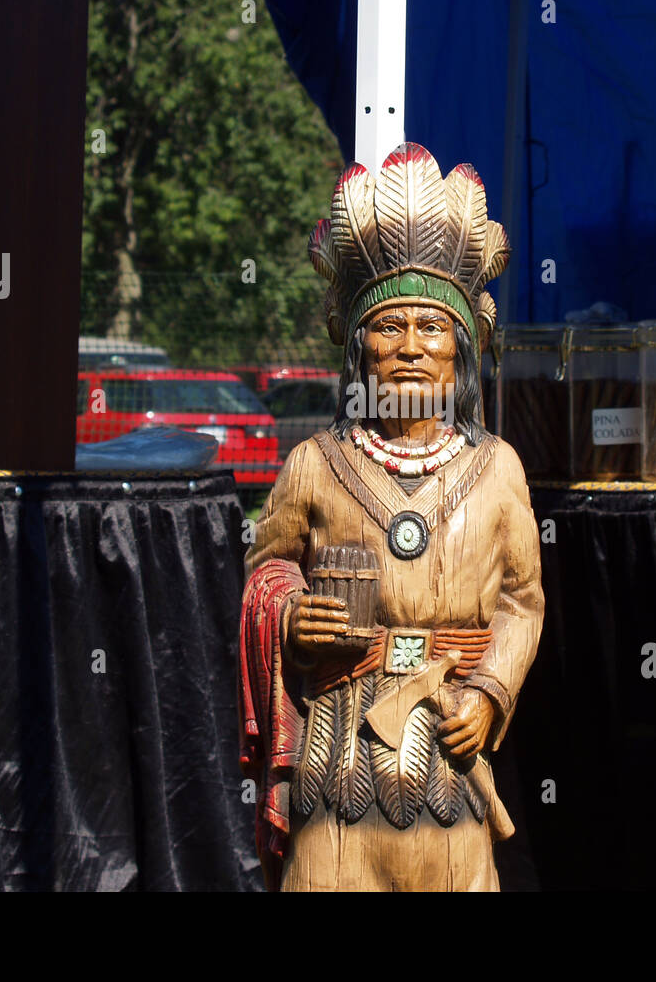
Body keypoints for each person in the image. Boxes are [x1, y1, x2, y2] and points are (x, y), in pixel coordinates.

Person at [238, 142, 544, 891]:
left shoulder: (497, 468)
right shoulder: (315, 462)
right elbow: (265, 568)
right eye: (388, 327)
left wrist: (490, 691)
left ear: (460, 352)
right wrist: (287, 615)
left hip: (447, 747)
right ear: (358, 349)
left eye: (431, 328)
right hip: (337, 750)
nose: (409, 346)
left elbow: (522, 602)